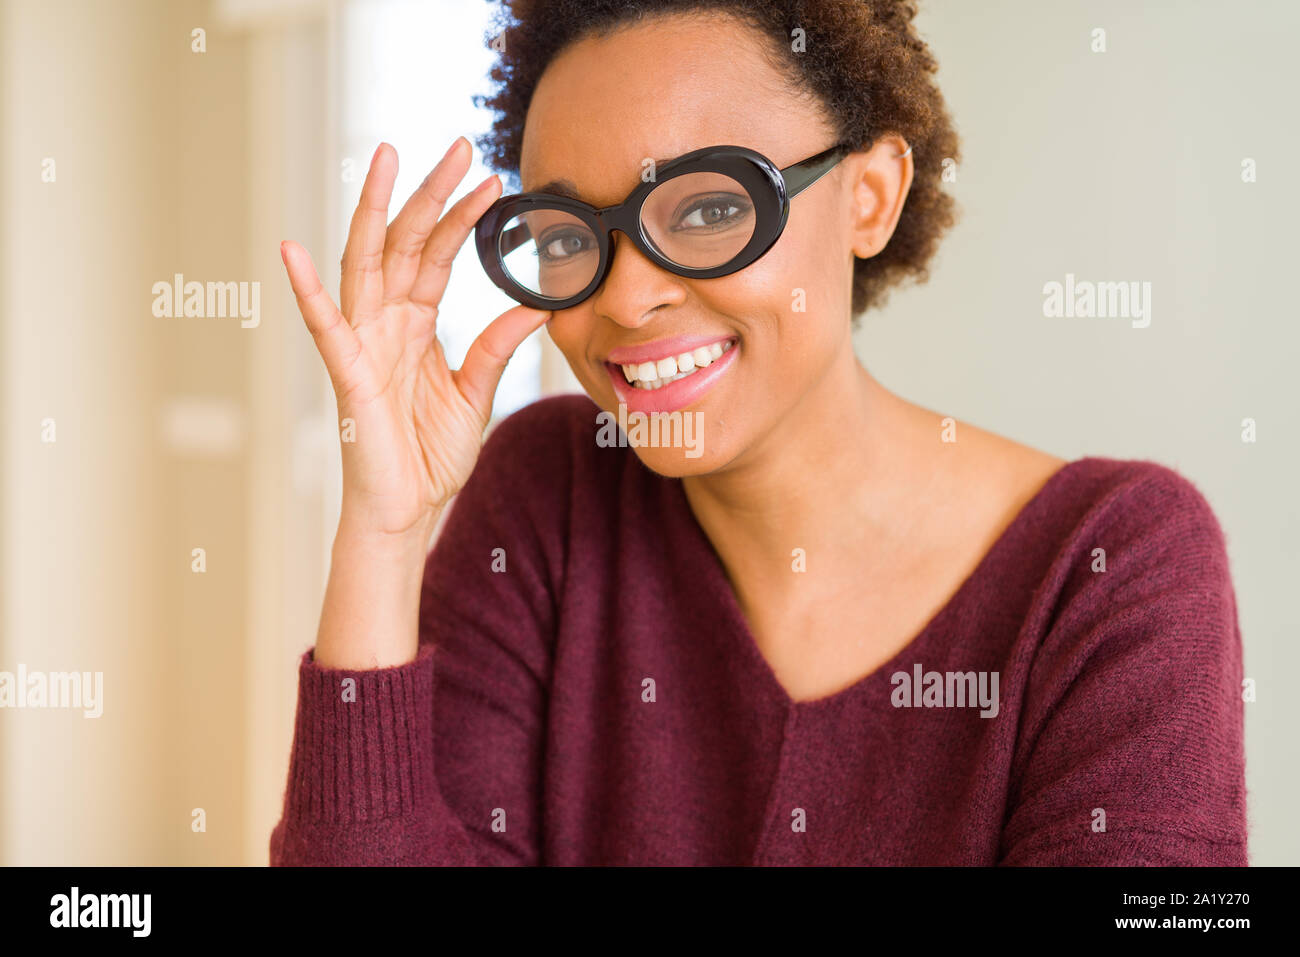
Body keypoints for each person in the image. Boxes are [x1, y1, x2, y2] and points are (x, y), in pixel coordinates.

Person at [270, 0, 1248, 865]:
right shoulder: (548, 494)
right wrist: (383, 535)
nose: (624, 296)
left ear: (868, 196)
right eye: (568, 236)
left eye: (704, 208)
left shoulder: (1113, 564)